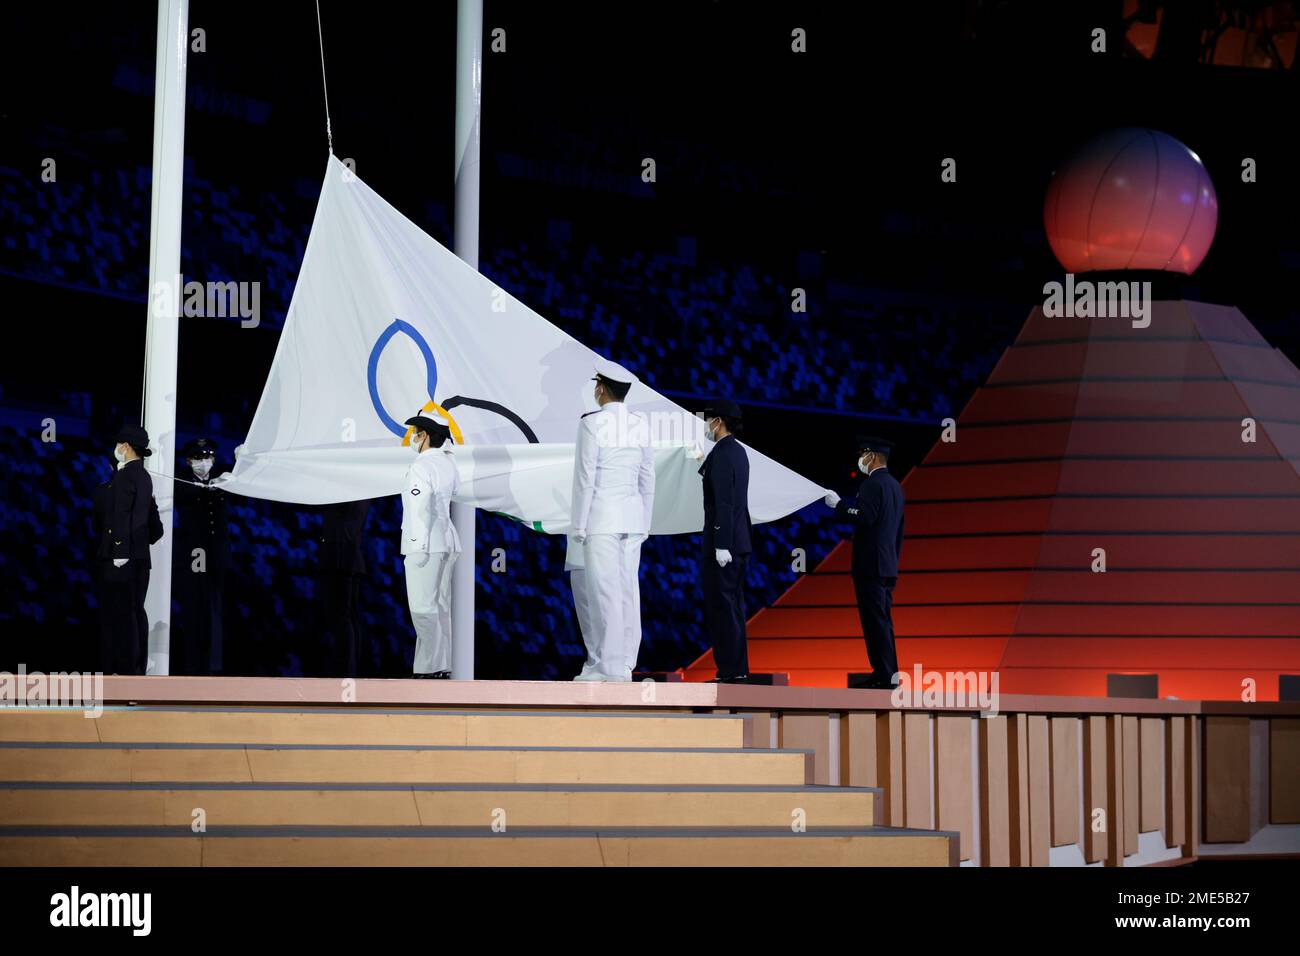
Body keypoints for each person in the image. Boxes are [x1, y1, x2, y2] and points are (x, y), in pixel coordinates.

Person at [570, 358, 655, 681]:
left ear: (601, 389)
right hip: (632, 519)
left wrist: (578, 524)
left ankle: (608, 667)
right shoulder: (640, 424)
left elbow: (585, 478)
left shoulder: (591, 424)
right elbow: (648, 478)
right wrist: (645, 522)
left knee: (603, 592)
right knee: (627, 591)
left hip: (602, 518)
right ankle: (623, 664)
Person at [824, 436, 905, 689]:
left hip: (870, 564)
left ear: (872, 456)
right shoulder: (895, 486)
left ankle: (885, 675)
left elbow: (865, 517)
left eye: (863, 454)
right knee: (882, 620)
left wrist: (839, 506)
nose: (860, 459)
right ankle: (886, 672)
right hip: (887, 563)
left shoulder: (873, 484)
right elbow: (899, 530)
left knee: (874, 622)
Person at [400, 410, 460, 678]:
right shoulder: (449, 463)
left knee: (422, 608)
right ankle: (440, 667)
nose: (413, 437)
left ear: (425, 436)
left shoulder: (421, 466)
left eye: (415, 433)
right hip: (447, 541)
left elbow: (419, 508)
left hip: (426, 543)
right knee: (440, 608)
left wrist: (417, 544)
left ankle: (429, 670)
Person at [699, 399, 752, 683]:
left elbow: (724, 501)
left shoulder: (722, 454)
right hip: (738, 541)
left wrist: (721, 542)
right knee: (732, 607)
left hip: (725, 544)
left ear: (719, 422)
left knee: (723, 609)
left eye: (710, 420)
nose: (707, 425)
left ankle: (731, 671)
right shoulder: (737, 452)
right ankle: (738, 669)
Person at [97, 424, 157, 675]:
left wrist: (120, 551)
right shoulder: (144, 475)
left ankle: (125, 668)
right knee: (135, 610)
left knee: (122, 614)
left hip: (123, 556)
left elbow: (123, 516)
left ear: (125, 446)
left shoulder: (125, 476)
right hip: (140, 555)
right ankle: (135, 668)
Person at [174, 437, 230, 675]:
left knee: (214, 610)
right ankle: (193, 665)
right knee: (194, 610)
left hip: (216, 556)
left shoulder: (220, 482)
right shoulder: (183, 482)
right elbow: (188, 495)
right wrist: (211, 487)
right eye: (198, 458)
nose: (204, 462)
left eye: (208, 457)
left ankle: (213, 666)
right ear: (188, 461)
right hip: (194, 555)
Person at [319, 499, 372, 677]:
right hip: (347, 558)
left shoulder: (350, 493)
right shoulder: (359, 492)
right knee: (348, 618)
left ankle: (346, 670)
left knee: (342, 618)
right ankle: (349, 668)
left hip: (341, 558)